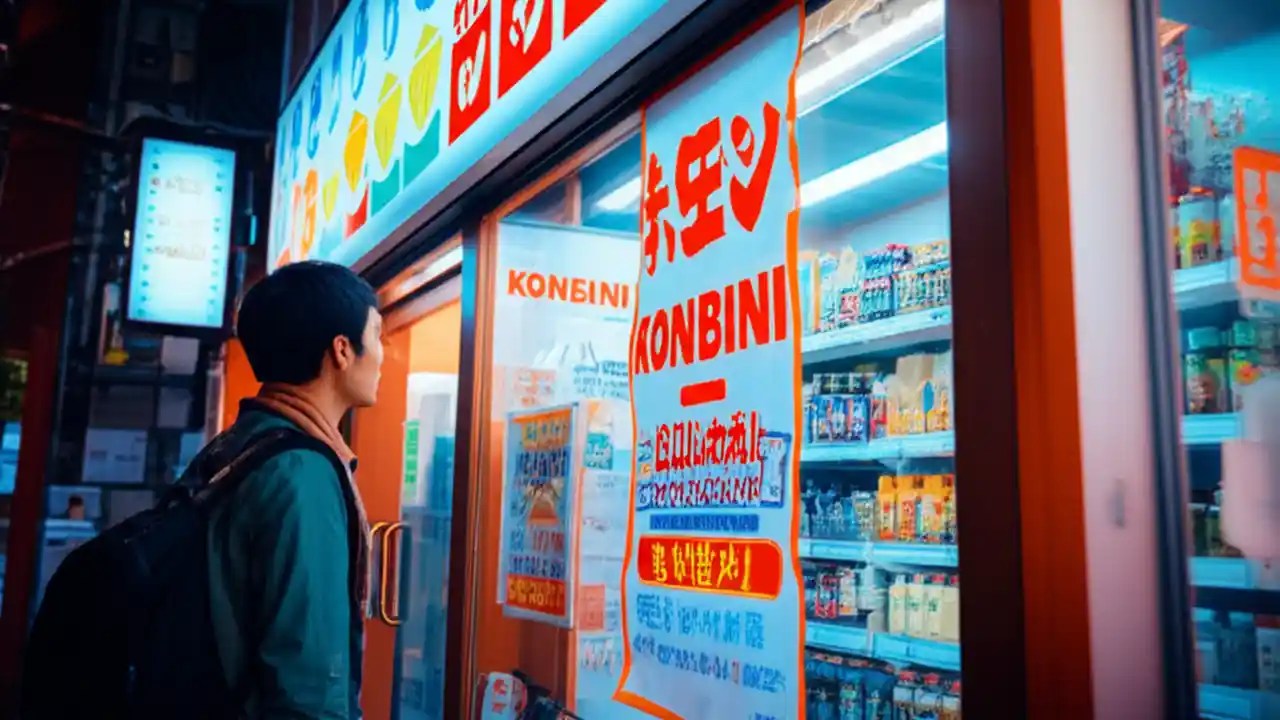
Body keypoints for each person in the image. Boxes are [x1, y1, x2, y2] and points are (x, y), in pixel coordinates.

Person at [204, 260, 383, 718]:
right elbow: (306, 685)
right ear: (342, 350)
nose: (383, 353)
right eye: (377, 334)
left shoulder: (239, 444)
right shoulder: (300, 473)